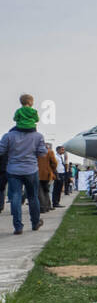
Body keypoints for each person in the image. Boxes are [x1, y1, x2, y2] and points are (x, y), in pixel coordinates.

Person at [0, 97, 46, 234]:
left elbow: (1, 151)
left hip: (13, 170)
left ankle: (18, 227)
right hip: (31, 169)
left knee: (15, 197)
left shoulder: (8, 136)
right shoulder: (38, 136)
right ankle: (35, 222)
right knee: (33, 197)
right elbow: (42, 153)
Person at [37, 135, 57, 211]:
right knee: (46, 191)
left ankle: (42, 207)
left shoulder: (35, 152)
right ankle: (47, 206)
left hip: (37, 174)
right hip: (47, 174)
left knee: (40, 191)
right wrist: (52, 170)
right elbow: (54, 163)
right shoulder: (50, 152)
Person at [50, 142, 65, 207]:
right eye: (62, 149)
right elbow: (54, 166)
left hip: (61, 174)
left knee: (59, 189)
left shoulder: (60, 157)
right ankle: (55, 203)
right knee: (56, 189)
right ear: (58, 150)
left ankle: (57, 202)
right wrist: (56, 175)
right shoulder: (56, 157)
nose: (63, 151)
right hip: (58, 174)